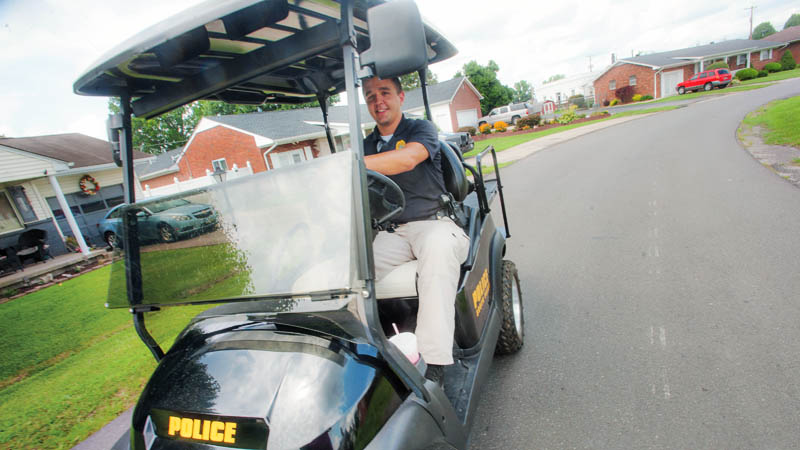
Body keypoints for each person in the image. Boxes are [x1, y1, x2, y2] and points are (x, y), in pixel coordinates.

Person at [362, 76, 470, 385]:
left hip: (433, 223)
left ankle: (433, 363)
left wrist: (351, 162)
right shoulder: (366, 144)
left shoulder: (421, 129)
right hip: (392, 231)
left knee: (436, 257)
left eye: (385, 93)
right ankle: (362, 352)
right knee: (350, 271)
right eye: (370, 96)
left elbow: (408, 158)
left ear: (400, 96)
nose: (378, 101)